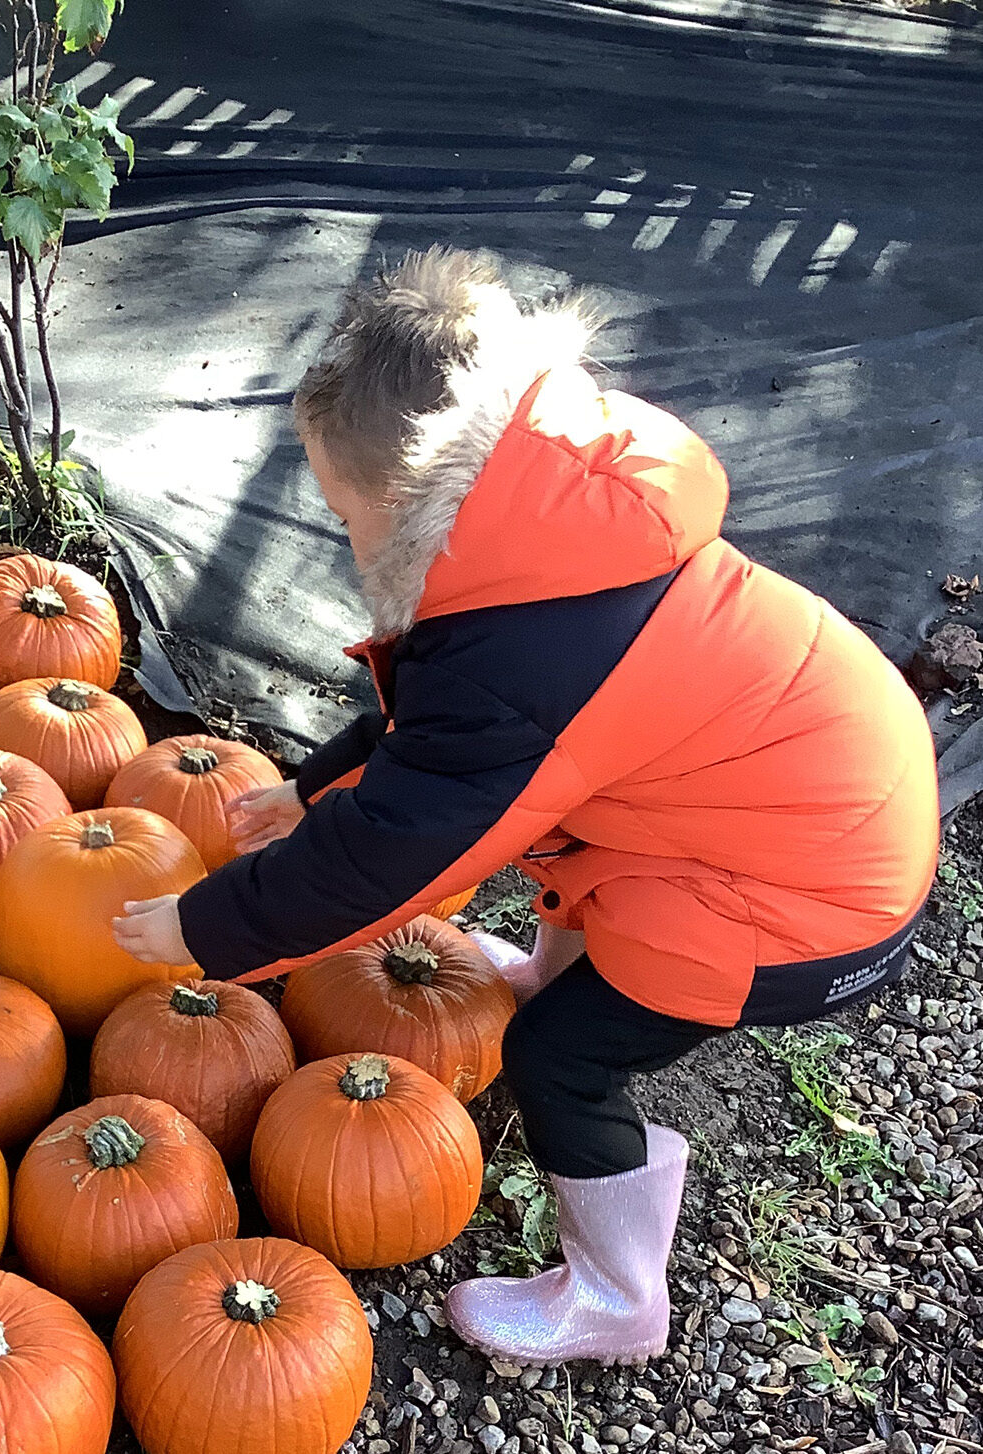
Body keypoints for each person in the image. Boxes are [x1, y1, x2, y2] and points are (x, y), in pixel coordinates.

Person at [111, 245, 938, 1367]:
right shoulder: (561, 526)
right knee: (582, 818)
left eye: (349, 519)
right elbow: (444, 731)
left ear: (412, 508)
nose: (348, 545)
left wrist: (202, 926)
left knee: (560, 1055)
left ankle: (616, 1296)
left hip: (813, 901)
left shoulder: (531, 657)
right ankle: (562, 977)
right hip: (805, 804)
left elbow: (399, 844)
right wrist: (316, 786)